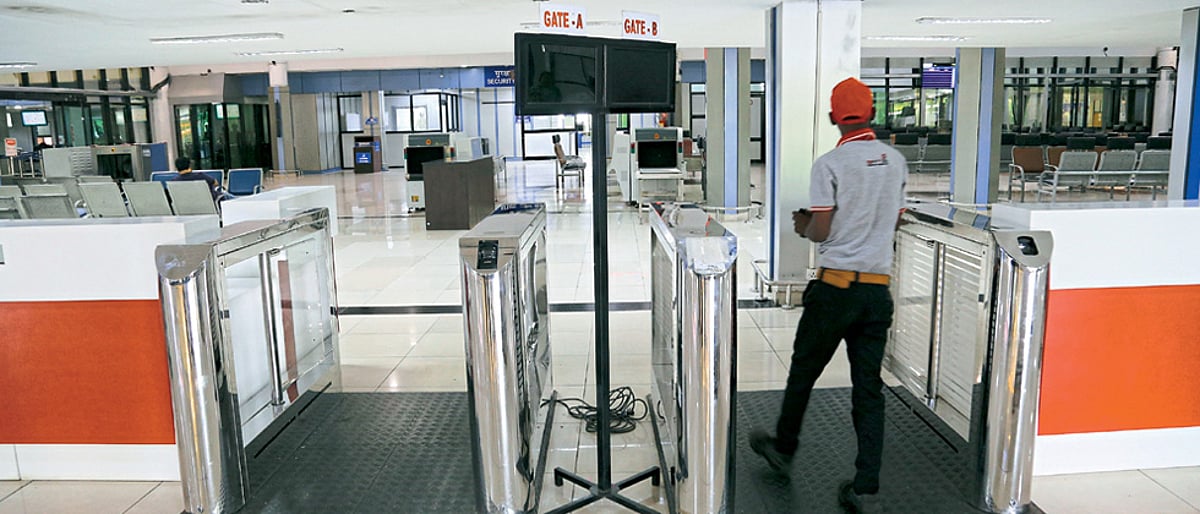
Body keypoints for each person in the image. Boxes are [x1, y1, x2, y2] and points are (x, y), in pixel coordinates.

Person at [749, 77, 907, 514]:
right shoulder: (895, 162)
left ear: (834, 118)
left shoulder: (829, 164)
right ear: (872, 113)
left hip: (836, 288)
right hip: (877, 293)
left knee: (803, 370)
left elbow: (820, 228)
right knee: (867, 389)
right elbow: (893, 221)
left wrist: (805, 226)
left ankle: (783, 447)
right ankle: (865, 484)